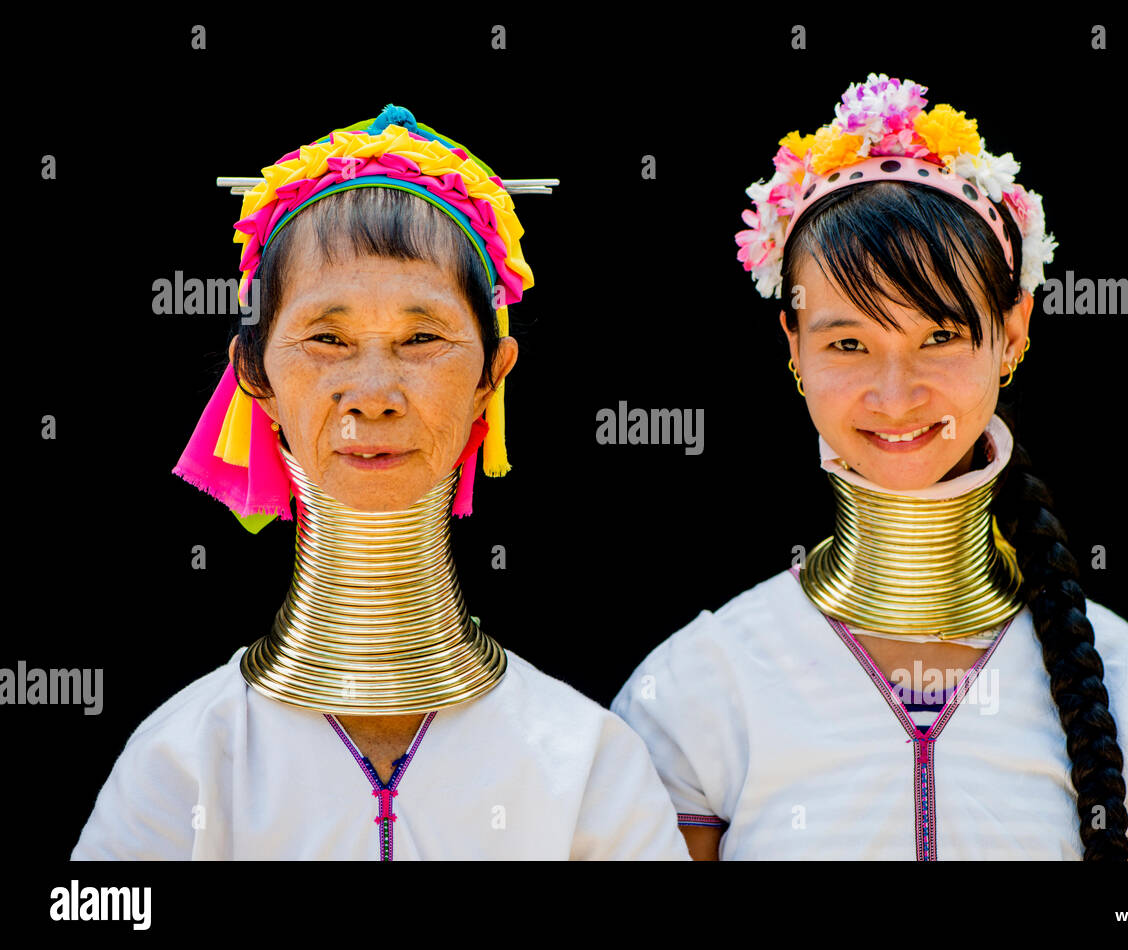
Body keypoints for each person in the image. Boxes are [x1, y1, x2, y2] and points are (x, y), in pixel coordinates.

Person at [611, 76, 1128, 861]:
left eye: (939, 337)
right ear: (793, 346)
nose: (895, 393)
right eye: (848, 343)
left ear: (1012, 334)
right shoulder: (697, 688)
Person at [72, 104, 689, 860]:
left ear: (493, 377)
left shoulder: (590, 767)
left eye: (422, 338)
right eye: (326, 338)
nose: (373, 391)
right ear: (254, 374)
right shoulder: (182, 768)